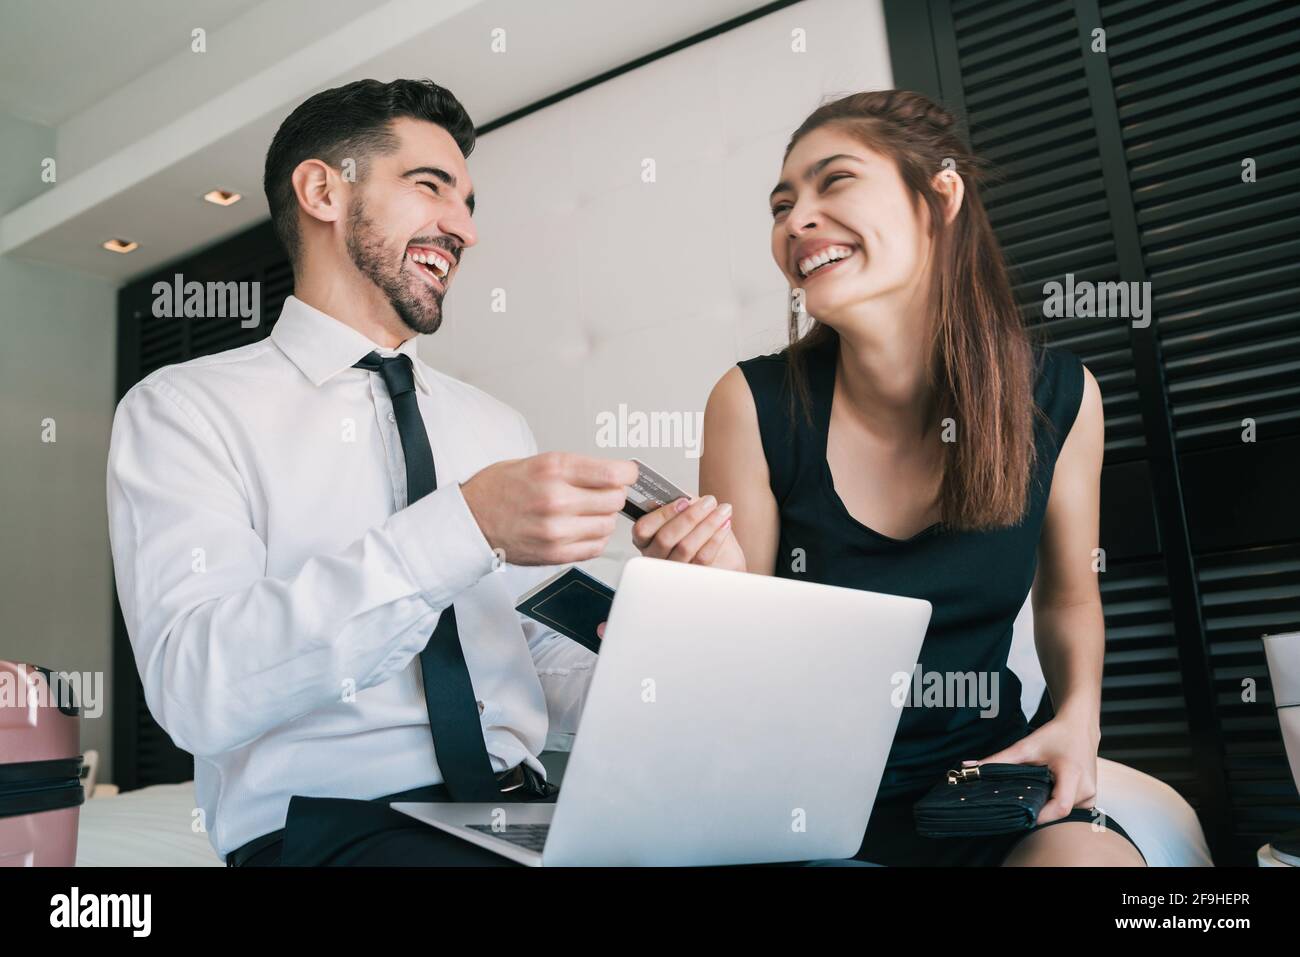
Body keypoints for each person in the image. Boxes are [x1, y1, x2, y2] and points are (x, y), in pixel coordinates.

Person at [107, 78, 639, 866]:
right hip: (335, 826)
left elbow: (537, 665)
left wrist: (662, 643)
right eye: (431, 186)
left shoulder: (495, 426)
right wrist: (462, 527)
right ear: (323, 191)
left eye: (468, 203)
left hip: (526, 812)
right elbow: (198, 690)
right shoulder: (183, 409)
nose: (465, 229)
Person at [631, 89, 1146, 866]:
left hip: (985, 786)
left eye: (834, 181)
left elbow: (1070, 598)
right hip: (801, 802)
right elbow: (739, 673)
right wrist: (709, 597)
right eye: (781, 206)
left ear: (941, 196)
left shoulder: (1061, 396)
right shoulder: (751, 403)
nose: (796, 221)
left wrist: (1079, 719)